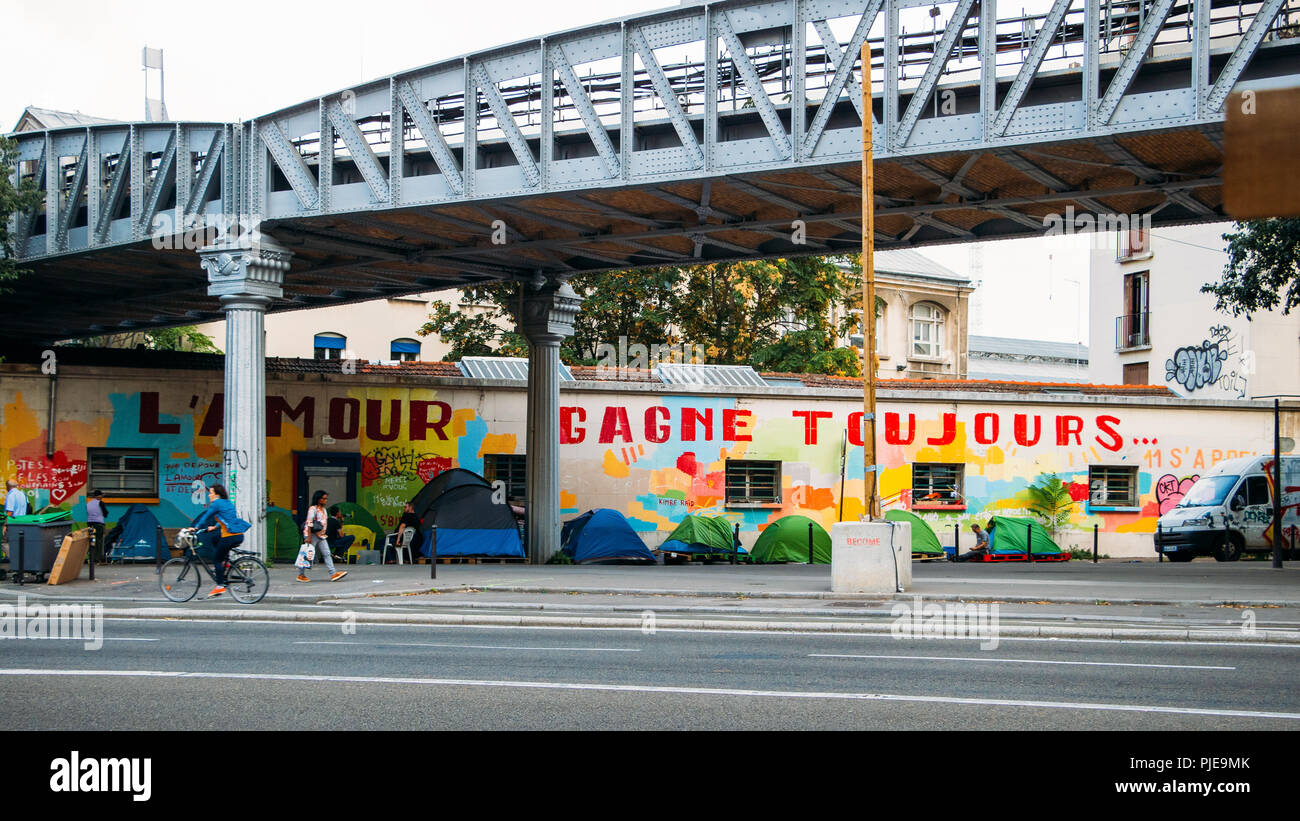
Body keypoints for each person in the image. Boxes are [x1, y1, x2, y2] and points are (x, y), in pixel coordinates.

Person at [190, 484, 252, 598]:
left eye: (211, 493)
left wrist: (195, 527)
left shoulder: (216, 503)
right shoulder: (227, 502)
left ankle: (219, 586)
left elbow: (206, 516)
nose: (209, 495)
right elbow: (228, 519)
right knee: (215, 538)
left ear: (217, 494)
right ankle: (226, 562)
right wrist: (215, 527)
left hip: (229, 536)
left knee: (216, 559)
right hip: (238, 535)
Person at [301, 490, 347, 583]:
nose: (326, 500)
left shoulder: (324, 510)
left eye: (326, 498)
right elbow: (309, 522)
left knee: (327, 553)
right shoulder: (313, 509)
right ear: (318, 499)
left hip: (321, 535)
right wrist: (309, 537)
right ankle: (301, 574)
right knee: (308, 555)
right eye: (324, 498)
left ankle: (333, 573)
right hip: (312, 535)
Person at [85, 489, 110, 563]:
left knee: (91, 541)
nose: (102, 497)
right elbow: (105, 513)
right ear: (99, 496)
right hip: (99, 524)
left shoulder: (88, 503)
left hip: (90, 523)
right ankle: (99, 558)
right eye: (101, 495)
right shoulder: (100, 503)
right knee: (99, 541)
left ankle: (91, 557)